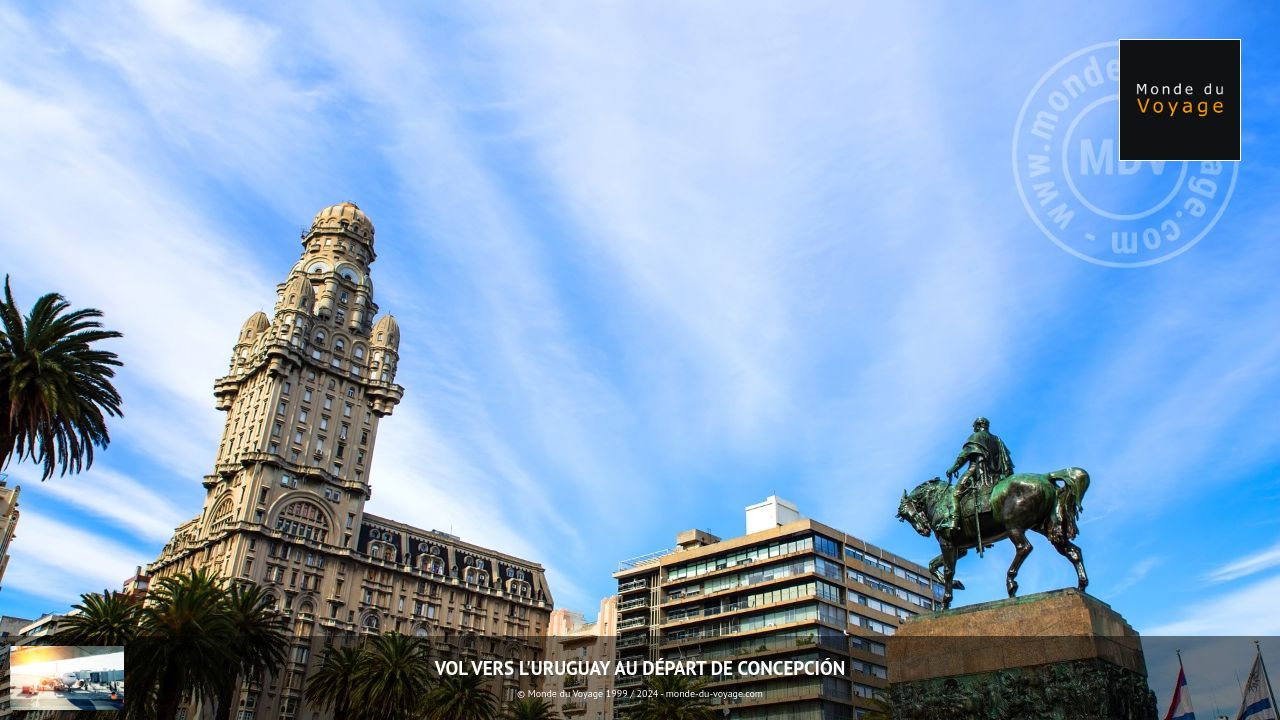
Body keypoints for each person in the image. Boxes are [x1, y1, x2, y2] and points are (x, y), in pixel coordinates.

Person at [938, 417, 1014, 531]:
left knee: (955, 493)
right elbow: (1006, 460)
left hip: (978, 472)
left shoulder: (976, 437)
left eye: (974, 427)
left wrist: (952, 469)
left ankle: (953, 522)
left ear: (978, 426)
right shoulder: (997, 440)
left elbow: (963, 456)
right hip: (998, 475)